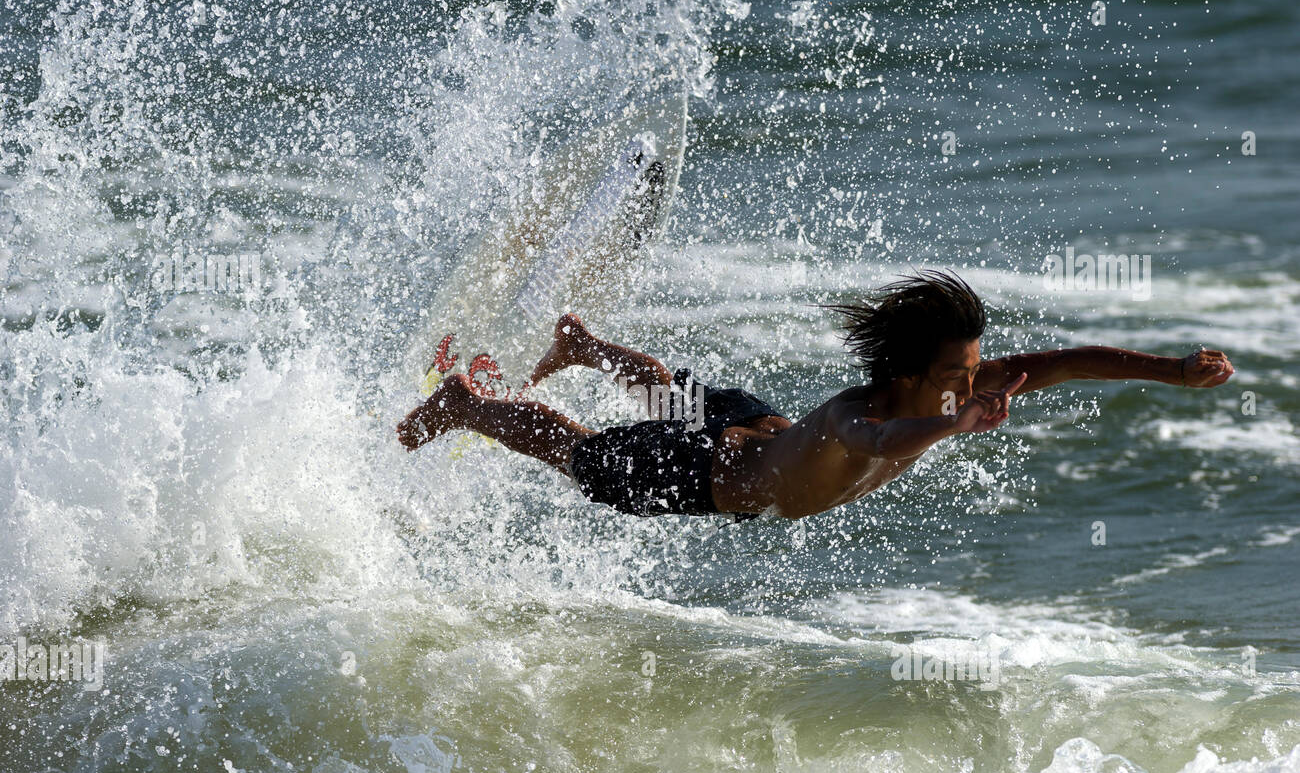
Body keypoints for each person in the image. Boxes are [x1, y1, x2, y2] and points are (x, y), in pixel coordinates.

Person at [397, 270, 1235, 520]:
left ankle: (582, 345)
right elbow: (880, 447)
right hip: (705, 474)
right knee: (577, 451)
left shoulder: (946, 386)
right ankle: (464, 403)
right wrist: (955, 427)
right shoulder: (857, 416)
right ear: (906, 370)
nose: (968, 385)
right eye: (953, 375)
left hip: (754, 428)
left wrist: (1172, 371)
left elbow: (1066, 360)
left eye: (972, 373)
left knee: (666, 389)